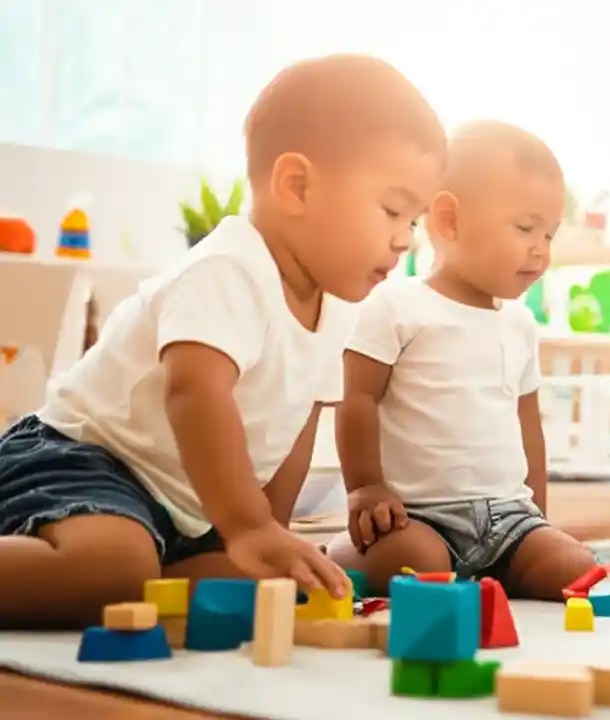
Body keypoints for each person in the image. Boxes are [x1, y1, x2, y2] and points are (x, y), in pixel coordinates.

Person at [0, 54, 446, 628]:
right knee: (112, 567)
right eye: (392, 210)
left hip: (184, 508)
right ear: (297, 185)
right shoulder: (229, 269)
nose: (405, 240)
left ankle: (141, 576)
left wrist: (273, 534)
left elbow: (299, 425)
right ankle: (115, 572)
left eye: (413, 221)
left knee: (271, 586)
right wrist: (248, 525)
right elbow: (195, 394)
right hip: (85, 461)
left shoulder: (338, 306)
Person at [326, 120, 598, 600]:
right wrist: (365, 488)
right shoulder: (397, 306)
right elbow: (357, 398)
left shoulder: (518, 325)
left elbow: (527, 425)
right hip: (418, 515)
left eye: (550, 235)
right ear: (449, 220)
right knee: (420, 564)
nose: (541, 250)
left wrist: (539, 518)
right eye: (525, 228)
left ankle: (491, 572)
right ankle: (337, 553)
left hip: (509, 517)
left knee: (573, 569)